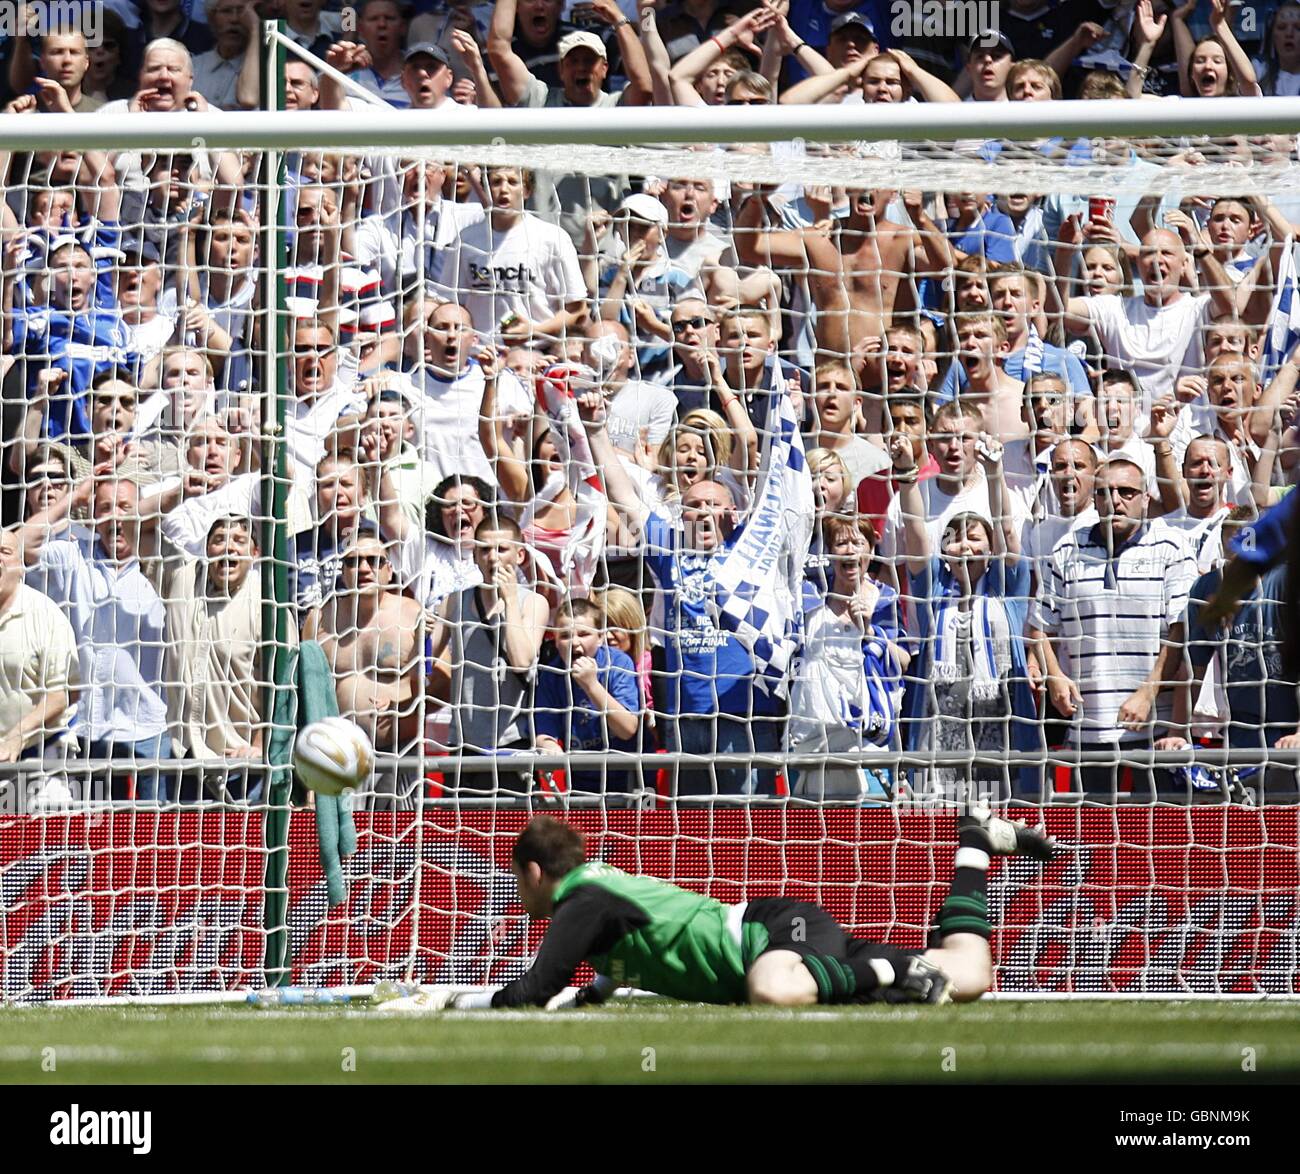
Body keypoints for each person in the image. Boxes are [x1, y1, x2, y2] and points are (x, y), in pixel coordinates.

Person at [432, 812, 1054, 1009]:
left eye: (518, 881)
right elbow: (630, 950)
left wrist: (459, 1001)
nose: (518, 895)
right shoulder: (599, 899)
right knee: (971, 978)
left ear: (536, 873)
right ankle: (975, 846)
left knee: (771, 992)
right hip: (795, 943)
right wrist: (596, 991)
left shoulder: (581, 900)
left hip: (775, 932)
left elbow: (536, 989)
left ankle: (893, 974)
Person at [1029, 457, 1197, 798]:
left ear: (1146, 497)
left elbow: (1183, 630)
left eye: (1126, 491)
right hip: (1088, 729)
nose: (1115, 500)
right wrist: (1055, 676)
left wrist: (1147, 693)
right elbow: (1038, 628)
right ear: (1095, 500)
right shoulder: (1066, 549)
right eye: (1105, 492)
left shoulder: (1172, 546)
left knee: (1160, 838)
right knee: (1097, 839)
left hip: (1156, 730)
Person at [428, 513, 548, 794]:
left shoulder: (533, 602)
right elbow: (424, 659)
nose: (492, 557)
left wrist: (508, 600)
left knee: (510, 833)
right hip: (464, 742)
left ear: (519, 555)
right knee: (463, 834)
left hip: (512, 742)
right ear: (474, 555)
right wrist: (418, 634)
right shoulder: (456, 601)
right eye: (484, 549)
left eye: (501, 549)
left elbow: (521, 661)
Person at [164, 514, 271, 800]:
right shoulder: (183, 582)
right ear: (206, 549)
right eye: (218, 540)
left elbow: (282, 687)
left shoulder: (267, 605)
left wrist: (260, 747)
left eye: (239, 541)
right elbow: (144, 528)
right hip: (184, 756)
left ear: (255, 553)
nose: (228, 548)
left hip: (241, 763)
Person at [0, 527, 80, 808]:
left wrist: (15, 739)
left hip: (44, 762)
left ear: (21, 566)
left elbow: (63, 695)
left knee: (46, 848)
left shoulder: (46, 615)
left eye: (5, 552)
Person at [533, 598, 643, 796]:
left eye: (584, 634)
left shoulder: (619, 663)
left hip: (627, 775)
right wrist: (549, 746)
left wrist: (592, 685)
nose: (575, 642)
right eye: (565, 636)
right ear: (556, 641)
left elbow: (627, 729)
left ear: (600, 637)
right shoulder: (551, 674)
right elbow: (544, 733)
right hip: (579, 779)